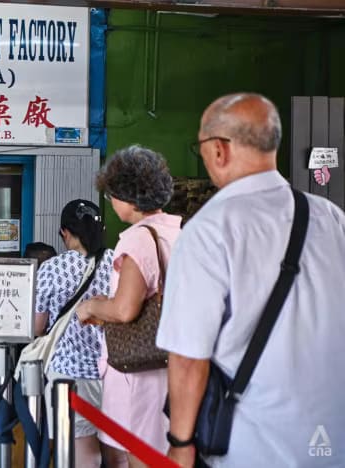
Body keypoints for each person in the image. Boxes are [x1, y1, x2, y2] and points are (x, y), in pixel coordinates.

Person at [157, 93, 345, 468]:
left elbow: (189, 358)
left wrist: (179, 443)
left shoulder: (208, 231)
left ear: (219, 151)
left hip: (252, 446)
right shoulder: (331, 217)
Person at [76, 145, 182, 467]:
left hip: (140, 370)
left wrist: (93, 308)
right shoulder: (179, 230)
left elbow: (124, 310)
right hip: (175, 363)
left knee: (142, 456)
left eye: (111, 195)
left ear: (127, 196)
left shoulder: (137, 238)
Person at [33, 200, 114, 468]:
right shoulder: (116, 263)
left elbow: (37, 327)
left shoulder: (52, 268)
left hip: (67, 376)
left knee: (83, 457)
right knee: (119, 454)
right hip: (112, 375)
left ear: (65, 233)